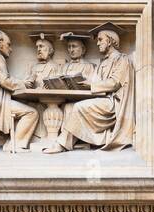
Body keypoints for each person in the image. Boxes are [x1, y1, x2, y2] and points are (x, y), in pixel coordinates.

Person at [45, 23, 134, 153]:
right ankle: (72, 142)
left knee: (78, 107)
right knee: (69, 107)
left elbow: (114, 83)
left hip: (113, 103)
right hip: (102, 100)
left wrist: (91, 85)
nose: (97, 43)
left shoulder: (122, 59)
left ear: (110, 41)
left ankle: (61, 144)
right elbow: (94, 83)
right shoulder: (103, 62)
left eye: (100, 39)